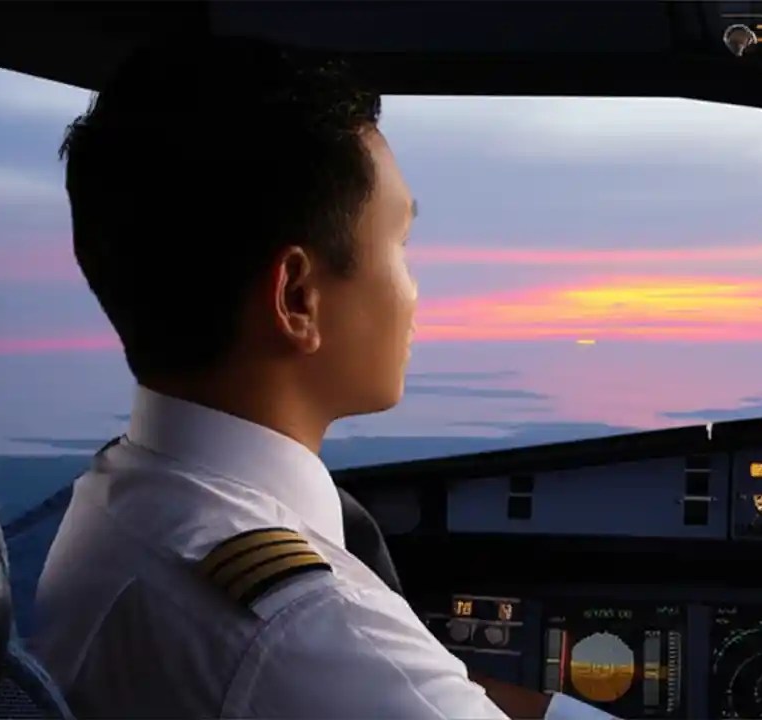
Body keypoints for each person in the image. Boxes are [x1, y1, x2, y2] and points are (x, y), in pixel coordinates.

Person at [31, 35, 614, 720]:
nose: (415, 291)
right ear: (297, 298)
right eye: (398, 243)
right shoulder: (311, 627)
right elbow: (349, 663)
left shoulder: (116, 500)